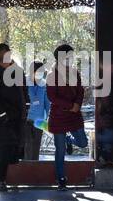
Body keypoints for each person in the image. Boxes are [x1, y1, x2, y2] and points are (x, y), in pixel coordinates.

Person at [0, 42, 27, 192]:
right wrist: (3, 114)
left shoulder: (18, 72)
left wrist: (26, 107)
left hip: (18, 118)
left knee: (15, 149)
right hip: (2, 120)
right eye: (2, 57)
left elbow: (24, 92)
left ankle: (14, 180)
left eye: (8, 55)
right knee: (2, 150)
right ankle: (1, 180)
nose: (6, 59)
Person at [46, 43, 88, 190]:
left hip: (74, 115)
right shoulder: (52, 75)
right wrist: (70, 105)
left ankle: (69, 140)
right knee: (60, 150)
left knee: (83, 143)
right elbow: (52, 96)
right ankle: (61, 179)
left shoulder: (75, 73)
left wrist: (77, 104)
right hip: (59, 116)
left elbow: (80, 91)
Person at [24, 60, 48, 161]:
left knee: (36, 145)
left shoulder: (44, 84)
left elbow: (47, 102)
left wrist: (47, 116)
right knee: (28, 144)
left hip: (40, 119)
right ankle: (27, 168)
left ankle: (34, 168)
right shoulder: (25, 82)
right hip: (26, 118)